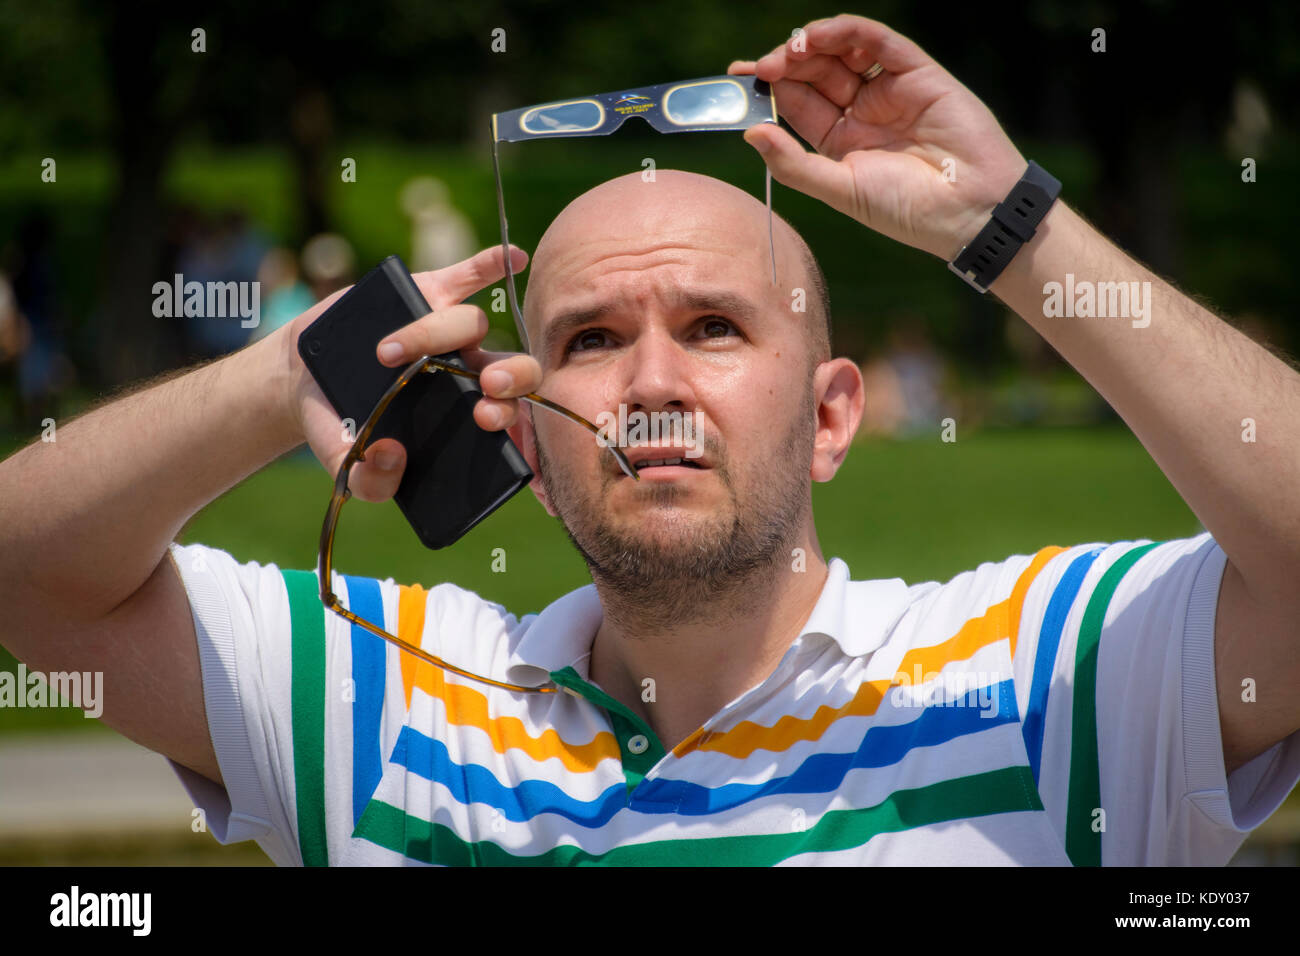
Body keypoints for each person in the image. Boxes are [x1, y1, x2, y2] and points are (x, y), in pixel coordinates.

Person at [2, 14, 1298, 866]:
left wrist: (1008, 226)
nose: (654, 381)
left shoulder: (1045, 681)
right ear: (517, 419)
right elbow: (28, 575)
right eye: (590, 338)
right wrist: (278, 376)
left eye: (720, 327)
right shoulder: (392, 705)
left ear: (833, 414)